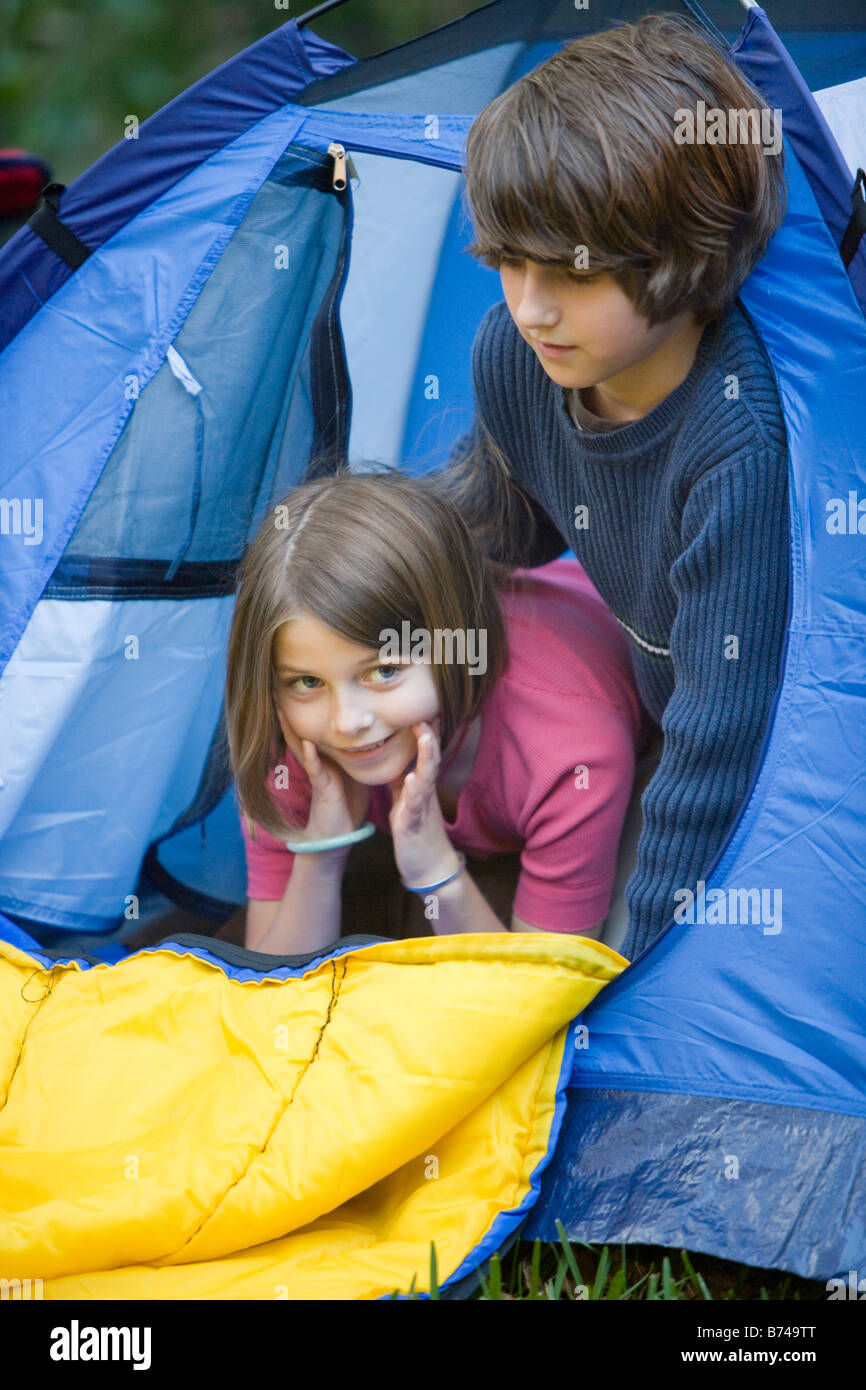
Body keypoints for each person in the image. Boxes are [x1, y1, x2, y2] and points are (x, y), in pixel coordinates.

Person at [449, 13, 790, 961]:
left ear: (688, 256)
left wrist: (655, 994)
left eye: (570, 272)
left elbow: (719, 755)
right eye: (509, 261)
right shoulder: (517, 357)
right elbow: (498, 524)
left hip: (760, 774)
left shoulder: (736, 448)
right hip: (655, 718)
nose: (530, 307)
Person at [224, 467, 651, 956]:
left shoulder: (572, 756)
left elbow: (542, 993)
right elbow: (270, 974)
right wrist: (320, 857)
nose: (347, 721)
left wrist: (435, 873)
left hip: (595, 657)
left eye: (383, 671)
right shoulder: (291, 741)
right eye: (307, 683)